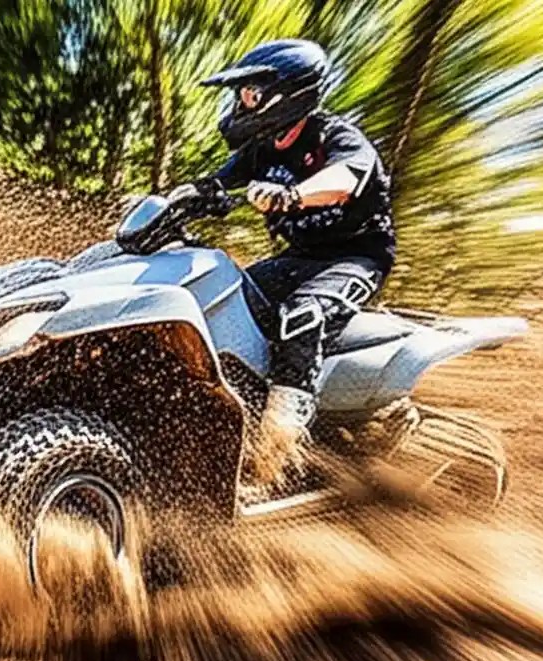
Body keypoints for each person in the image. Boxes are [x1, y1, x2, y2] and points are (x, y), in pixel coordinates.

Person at [169, 39, 396, 467]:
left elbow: (345, 179)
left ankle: (278, 444)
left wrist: (291, 196)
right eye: (241, 95)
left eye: (251, 94)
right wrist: (174, 203)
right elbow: (213, 185)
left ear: (288, 93)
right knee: (226, 297)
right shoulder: (260, 150)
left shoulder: (335, 136)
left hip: (356, 257)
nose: (242, 103)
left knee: (301, 315)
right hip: (300, 257)